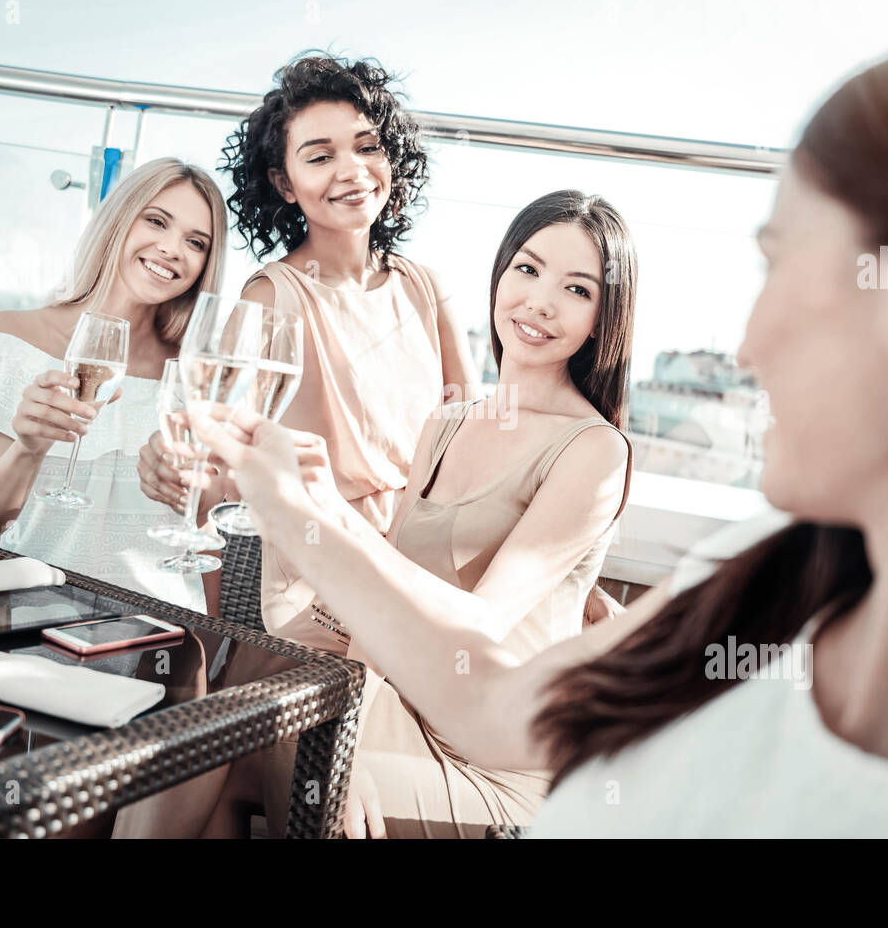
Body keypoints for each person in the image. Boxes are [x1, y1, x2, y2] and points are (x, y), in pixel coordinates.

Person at [194, 11, 888, 836]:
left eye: (781, 263)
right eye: (526, 271)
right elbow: (498, 698)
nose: (746, 349)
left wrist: (314, 521)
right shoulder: (754, 573)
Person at [119, 189, 636, 839]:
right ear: (501, 273)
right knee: (195, 736)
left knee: (240, 748)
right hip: (394, 706)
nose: (539, 300)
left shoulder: (594, 451)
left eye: (577, 289)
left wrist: (342, 733)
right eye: (527, 269)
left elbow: (479, 622)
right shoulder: (447, 421)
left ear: (602, 317)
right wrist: (349, 720)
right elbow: (379, 608)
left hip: (488, 757)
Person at [136, 54, 478, 637]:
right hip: (326, 575)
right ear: (284, 184)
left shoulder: (426, 286)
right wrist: (176, 468)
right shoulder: (271, 296)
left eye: (367, 147)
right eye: (320, 157)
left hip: (427, 563)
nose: (351, 171)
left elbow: (472, 442)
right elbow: (234, 471)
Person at [0, 158, 227, 612]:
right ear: (117, 222)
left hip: (162, 632)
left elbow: (203, 535)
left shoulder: (196, 372)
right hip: (26, 614)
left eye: (196, 242)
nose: (173, 249)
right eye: (156, 221)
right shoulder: (9, 341)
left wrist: (213, 646)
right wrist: (27, 449)